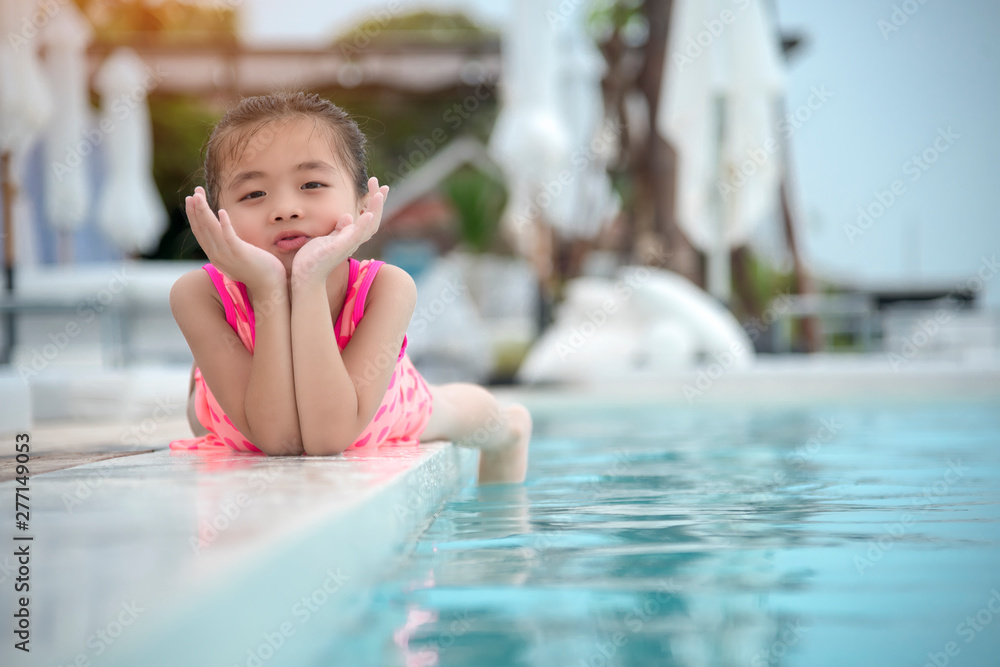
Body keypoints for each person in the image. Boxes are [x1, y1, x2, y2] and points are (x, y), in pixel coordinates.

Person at [168, 91, 530, 484]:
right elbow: (279, 440)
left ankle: (512, 428)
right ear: (215, 216)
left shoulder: (386, 287)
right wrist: (268, 288)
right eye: (254, 194)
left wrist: (309, 281)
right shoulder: (197, 294)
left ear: (363, 205)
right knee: (200, 411)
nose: (285, 209)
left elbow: (327, 439)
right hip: (237, 409)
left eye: (312, 184)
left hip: (373, 403)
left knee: (453, 410)